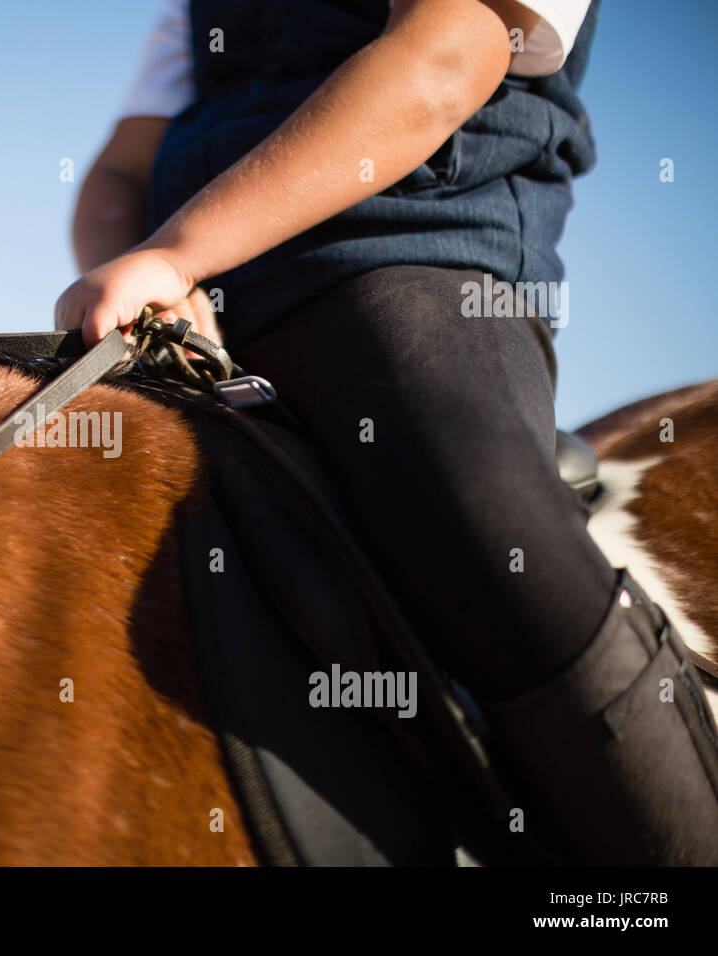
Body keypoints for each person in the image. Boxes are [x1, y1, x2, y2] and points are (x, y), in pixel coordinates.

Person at [56, 0, 718, 864]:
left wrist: (182, 252)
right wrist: (149, 280)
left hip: (410, 263)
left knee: (487, 527)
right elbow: (119, 171)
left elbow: (448, 56)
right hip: (202, 307)